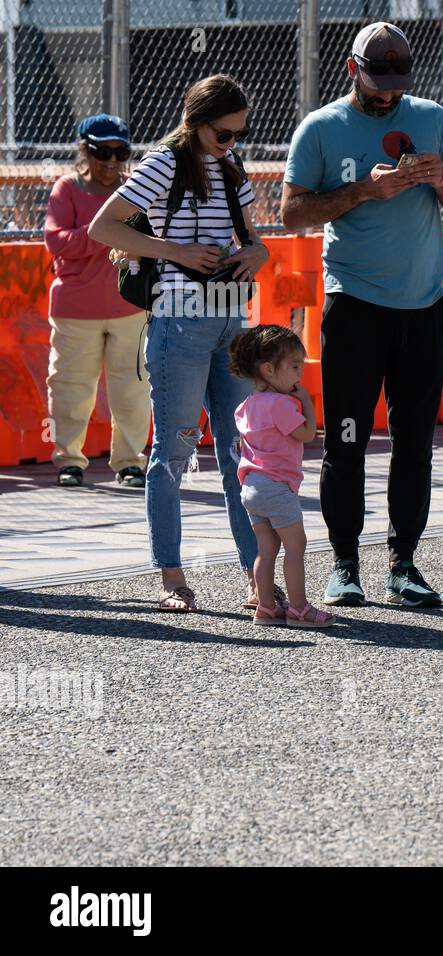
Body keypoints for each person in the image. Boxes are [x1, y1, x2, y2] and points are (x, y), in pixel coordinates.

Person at [281, 22, 443, 609]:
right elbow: (291, 213)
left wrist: (441, 180)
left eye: (397, 84)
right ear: (351, 68)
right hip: (354, 306)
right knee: (347, 443)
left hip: (422, 307)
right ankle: (344, 563)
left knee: (415, 445)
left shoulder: (432, 118)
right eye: (376, 81)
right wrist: (365, 191)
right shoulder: (320, 128)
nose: (388, 95)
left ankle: (405, 563)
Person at [89, 74, 276, 613]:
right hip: (178, 322)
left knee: (242, 452)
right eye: (223, 133)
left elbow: (254, 241)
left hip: (230, 321)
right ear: (196, 122)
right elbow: (104, 228)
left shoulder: (233, 167)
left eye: (239, 134)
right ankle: (172, 577)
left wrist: (256, 255)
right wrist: (175, 250)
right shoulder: (163, 163)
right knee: (172, 455)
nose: (231, 144)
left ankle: (255, 577)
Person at [44, 114, 151, 489]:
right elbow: (56, 241)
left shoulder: (134, 188)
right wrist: (109, 232)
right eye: (100, 151)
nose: (110, 161)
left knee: (133, 389)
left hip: (129, 306)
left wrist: (89, 237)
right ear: (83, 150)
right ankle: (69, 461)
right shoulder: (67, 189)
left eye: (119, 152)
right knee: (71, 386)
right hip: (76, 309)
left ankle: (130, 463)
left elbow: (148, 238)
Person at [229, 326, 335, 628]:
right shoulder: (282, 405)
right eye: (294, 366)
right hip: (277, 487)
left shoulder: (245, 406)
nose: (299, 374)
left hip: (251, 487)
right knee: (295, 547)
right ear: (269, 369)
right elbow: (306, 433)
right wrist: (307, 403)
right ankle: (299, 609)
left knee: (266, 549)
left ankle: (265, 607)